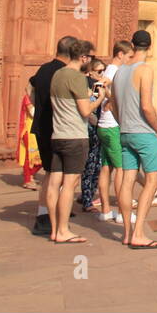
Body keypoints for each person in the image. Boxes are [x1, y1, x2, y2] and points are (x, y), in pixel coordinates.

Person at [111, 29, 157, 248]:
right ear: (149, 48)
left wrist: (123, 122)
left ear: (132, 46)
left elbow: (112, 105)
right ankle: (139, 232)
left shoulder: (120, 71)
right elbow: (146, 105)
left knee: (127, 181)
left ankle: (126, 232)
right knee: (152, 181)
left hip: (125, 132)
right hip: (143, 132)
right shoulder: (145, 70)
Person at [46, 38, 102, 244]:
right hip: (75, 136)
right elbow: (86, 111)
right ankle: (63, 230)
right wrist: (99, 98)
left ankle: (54, 229)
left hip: (57, 134)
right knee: (69, 185)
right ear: (84, 57)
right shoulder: (76, 77)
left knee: (54, 183)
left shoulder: (57, 75)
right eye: (91, 58)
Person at [27, 36, 76, 236]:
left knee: (54, 173)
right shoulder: (63, 73)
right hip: (56, 129)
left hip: (42, 126)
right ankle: (44, 217)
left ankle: (50, 211)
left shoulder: (43, 69)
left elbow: (29, 87)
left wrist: (34, 107)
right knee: (55, 174)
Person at [96, 41, 132, 222]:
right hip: (113, 125)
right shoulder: (115, 72)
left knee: (106, 168)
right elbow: (110, 94)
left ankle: (106, 210)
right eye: (128, 56)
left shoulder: (107, 71)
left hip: (103, 125)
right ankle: (120, 212)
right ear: (120, 54)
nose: (129, 60)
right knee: (121, 170)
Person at [78, 57, 107, 213]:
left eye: (103, 70)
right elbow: (88, 110)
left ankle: (87, 194)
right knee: (91, 164)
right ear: (90, 72)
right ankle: (87, 199)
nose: (101, 74)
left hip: (99, 128)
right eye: (99, 71)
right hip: (90, 128)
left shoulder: (101, 85)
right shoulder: (86, 86)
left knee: (97, 164)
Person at [17, 84, 42, 190]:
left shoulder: (37, 98)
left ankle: (29, 174)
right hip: (28, 131)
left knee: (40, 157)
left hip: (37, 130)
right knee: (29, 156)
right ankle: (28, 180)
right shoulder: (28, 98)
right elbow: (33, 113)